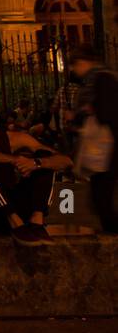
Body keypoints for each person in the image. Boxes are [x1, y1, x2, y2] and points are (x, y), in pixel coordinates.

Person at [0, 94, 71, 246]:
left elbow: (66, 161)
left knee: (45, 157)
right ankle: (14, 221)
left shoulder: (14, 138)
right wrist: (15, 160)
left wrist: (35, 163)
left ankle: (37, 222)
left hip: (14, 203)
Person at [67, 44, 118, 232]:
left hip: (108, 147)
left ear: (82, 62)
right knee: (100, 196)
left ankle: (112, 239)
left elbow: (106, 113)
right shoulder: (101, 78)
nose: (73, 71)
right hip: (108, 147)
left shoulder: (100, 79)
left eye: (74, 65)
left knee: (101, 196)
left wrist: (82, 113)